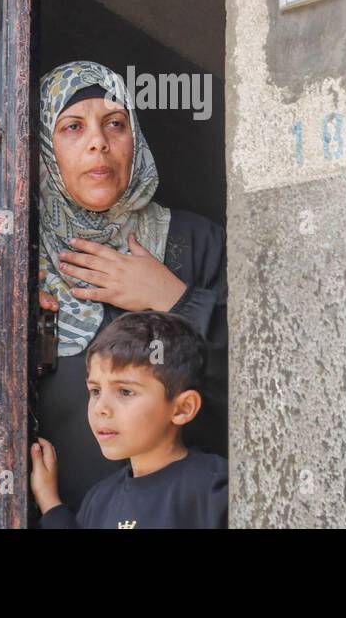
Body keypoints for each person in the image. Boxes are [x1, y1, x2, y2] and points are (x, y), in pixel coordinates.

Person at [33, 59, 228, 513]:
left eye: (115, 124)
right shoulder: (17, 263)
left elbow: (264, 381)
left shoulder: (195, 241)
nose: (98, 142)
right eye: (73, 127)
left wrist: (174, 299)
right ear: (44, 146)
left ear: (134, 140)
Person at [30, 311, 228, 528]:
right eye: (95, 391)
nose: (101, 408)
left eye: (125, 392)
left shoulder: (215, 490)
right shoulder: (99, 501)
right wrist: (49, 503)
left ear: (182, 408)